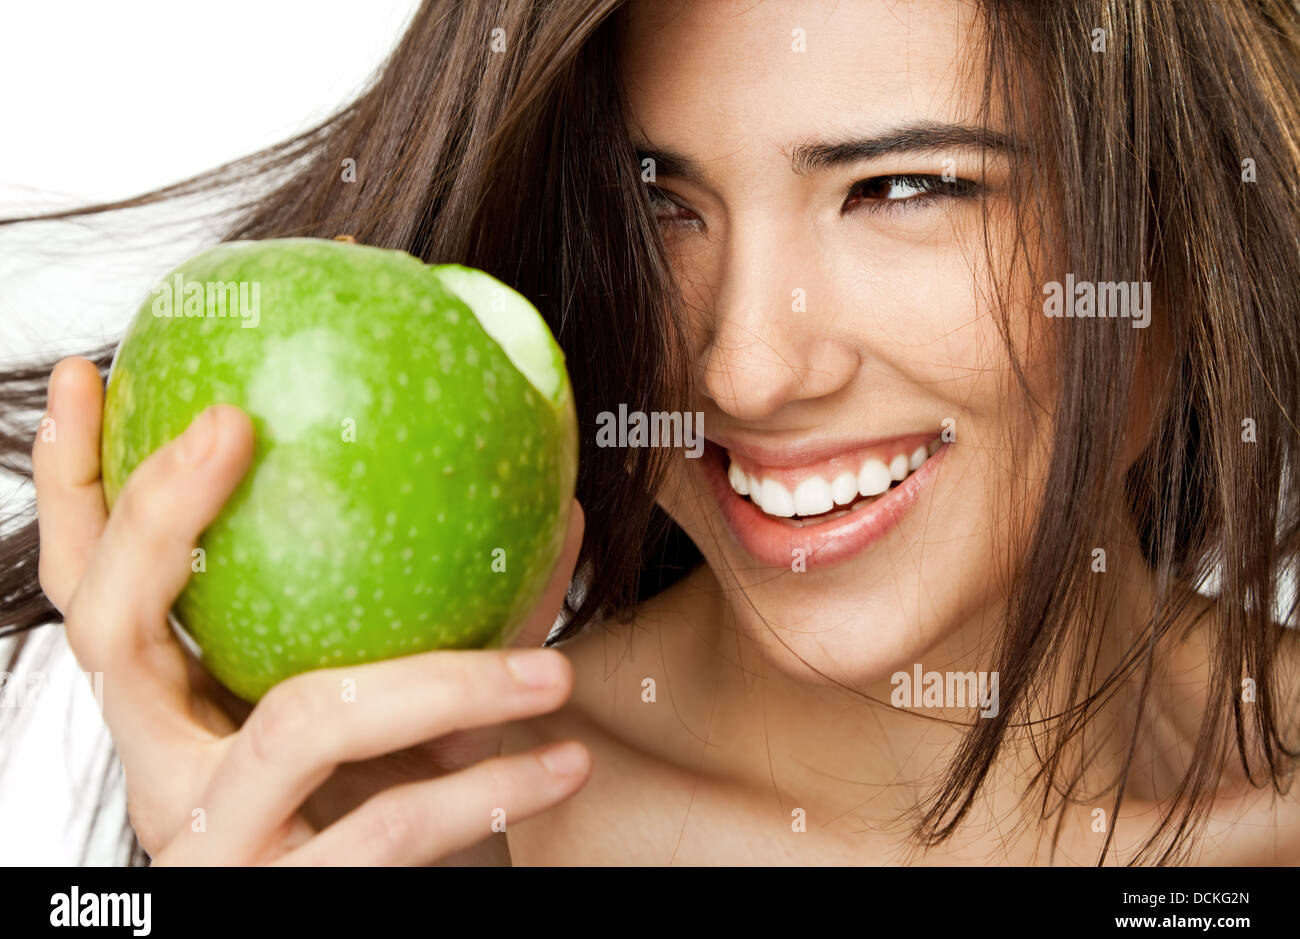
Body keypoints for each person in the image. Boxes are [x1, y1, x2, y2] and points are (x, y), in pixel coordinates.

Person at [5, 0, 1300, 865]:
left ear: (1170, 244)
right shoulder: (404, 820)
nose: (746, 368)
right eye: (660, 205)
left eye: (905, 188)